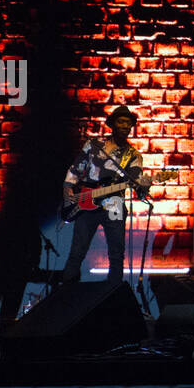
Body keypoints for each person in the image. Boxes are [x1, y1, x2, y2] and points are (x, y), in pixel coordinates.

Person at [62, 106, 146, 284]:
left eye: (128, 123)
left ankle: (113, 295)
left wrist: (144, 185)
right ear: (113, 125)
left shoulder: (133, 155)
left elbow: (138, 181)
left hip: (115, 203)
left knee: (116, 254)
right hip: (86, 200)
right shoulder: (95, 144)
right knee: (77, 251)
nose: (125, 126)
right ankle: (67, 293)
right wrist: (68, 189)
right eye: (121, 122)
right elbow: (76, 169)